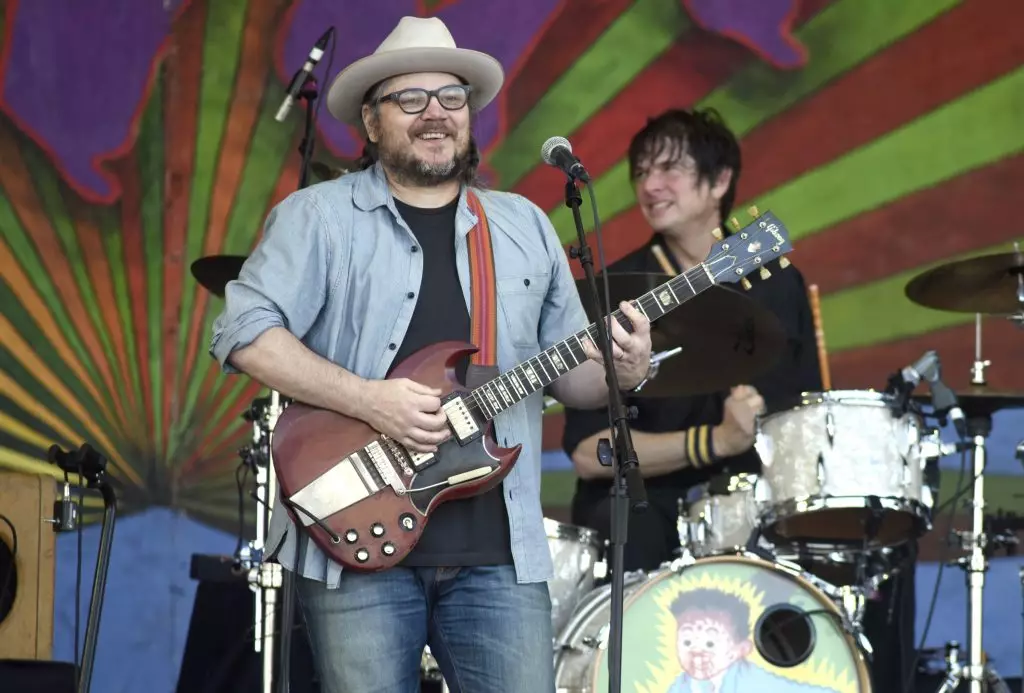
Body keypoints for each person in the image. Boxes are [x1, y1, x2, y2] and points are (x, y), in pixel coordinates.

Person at [208, 16, 652, 693]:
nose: (435, 114)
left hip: (500, 554)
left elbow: (578, 380)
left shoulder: (524, 225)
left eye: (451, 97)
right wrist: (368, 400)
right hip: (358, 539)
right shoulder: (319, 217)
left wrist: (625, 369)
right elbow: (242, 331)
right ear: (372, 118)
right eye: (410, 100)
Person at [560, 107, 916, 691]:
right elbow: (585, 452)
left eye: (670, 168)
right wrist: (712, 441)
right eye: (641, 172)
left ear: (720, 180)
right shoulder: (615, 292)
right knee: (632, 522)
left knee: (877, 553)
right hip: (646, 509)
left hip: (750, 509)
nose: (650, 185)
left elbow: (798, 425)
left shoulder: (775, 283)